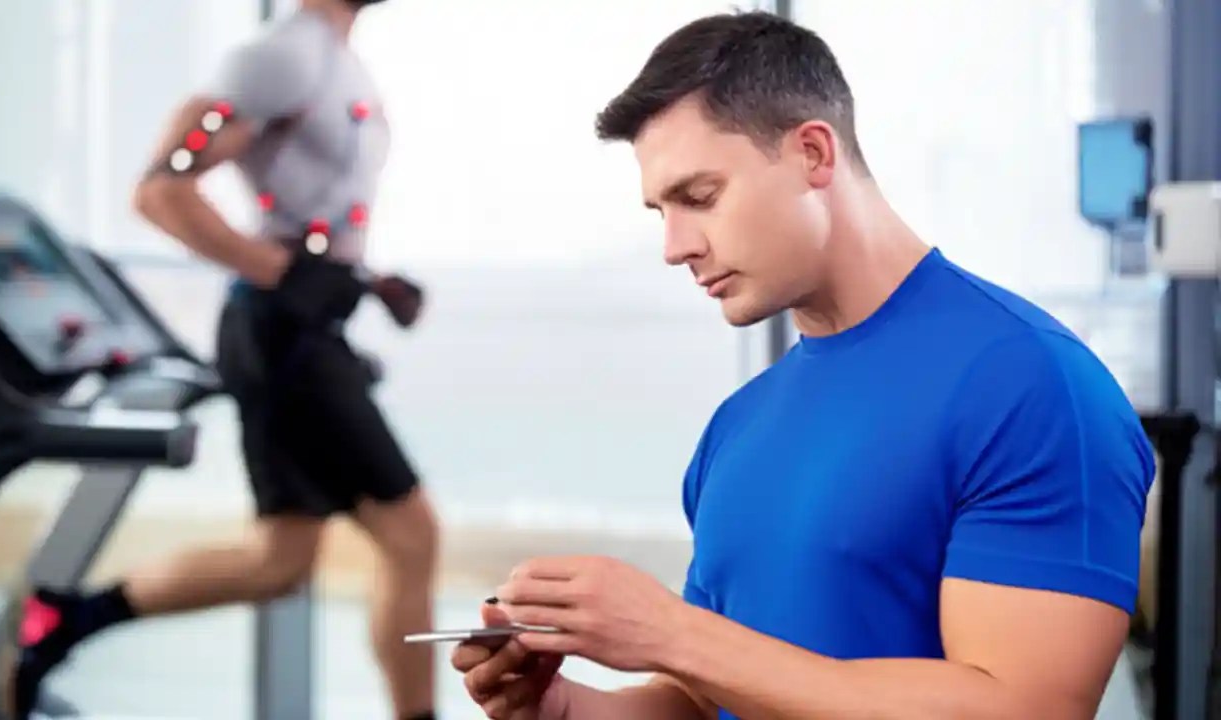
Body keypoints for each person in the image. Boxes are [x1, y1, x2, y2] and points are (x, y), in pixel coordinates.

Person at [453, 11, 1155, 720]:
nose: (674, 245)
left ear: (814, 154)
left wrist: (669, 631)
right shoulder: (739, 426)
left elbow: (1025, 710)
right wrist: (565, 709)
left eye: (699, 197)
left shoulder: (1033, 389)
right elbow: (709, 702)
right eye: (659, 210)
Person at [0, 2, 442, 720]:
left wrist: (367, 281)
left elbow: (308, 211)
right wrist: (279, 273)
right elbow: (163, 186)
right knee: (411, 534)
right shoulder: (281, 56)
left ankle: (63, 620)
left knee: (280, 562)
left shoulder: (334, 58)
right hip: (280, 338)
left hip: (306, 330)